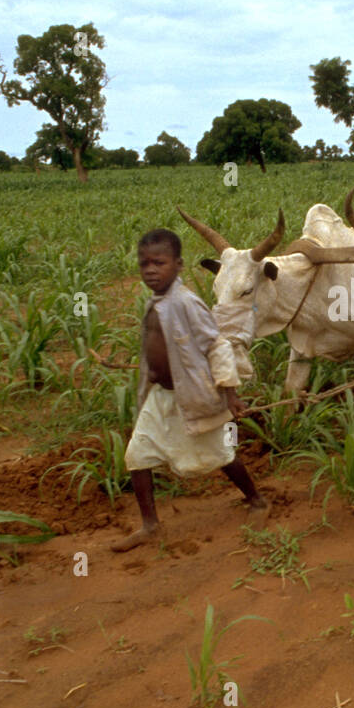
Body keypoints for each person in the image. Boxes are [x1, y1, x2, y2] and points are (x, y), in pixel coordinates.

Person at [112, 228, 267, 552]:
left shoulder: (186, 302)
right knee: (137, 455)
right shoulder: (154, 303)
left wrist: (230, 393)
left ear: (178, 264)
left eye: (159, 262)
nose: (151, 270)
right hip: (160, 398)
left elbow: (216, 346)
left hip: (192, 397)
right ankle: (150, 525)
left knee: (221, 455)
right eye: (144, 264)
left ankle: (256, 500)